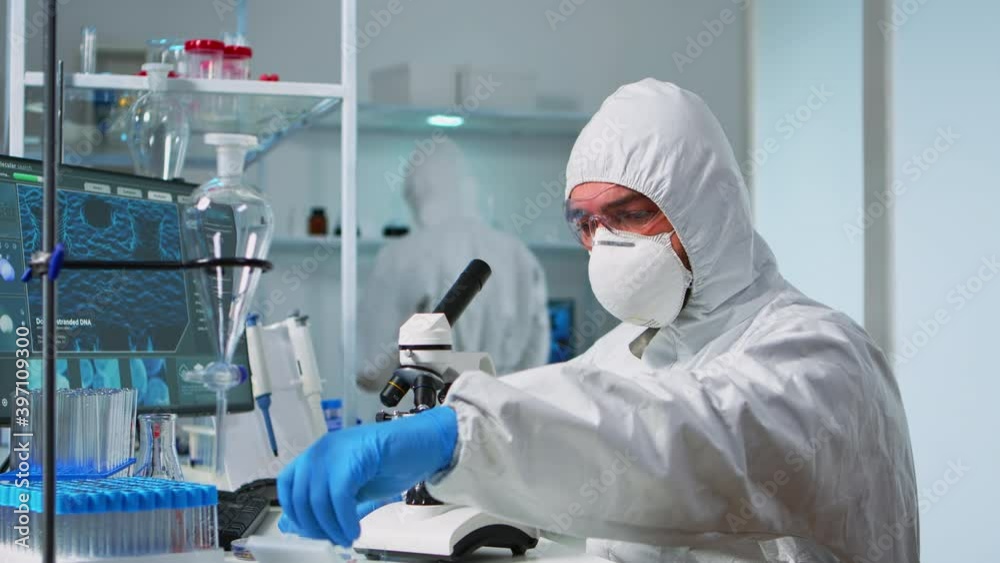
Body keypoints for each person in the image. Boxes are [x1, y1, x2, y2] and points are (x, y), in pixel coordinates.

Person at [279, 79, 918, 562]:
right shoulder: (624, 352)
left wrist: (456, 435)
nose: (604, 243)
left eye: (630, 213)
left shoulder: (822, 358)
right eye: (586, 223)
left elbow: (683, 438)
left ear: (707, 211)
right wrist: (446, 485)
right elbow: (573, 459)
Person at [354, 137, 550, 416]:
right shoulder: (520, 255)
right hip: (505, 424)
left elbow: (369, 373)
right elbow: (536, 365)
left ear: (417, 194)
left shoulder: (400, 256)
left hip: (431, 424)